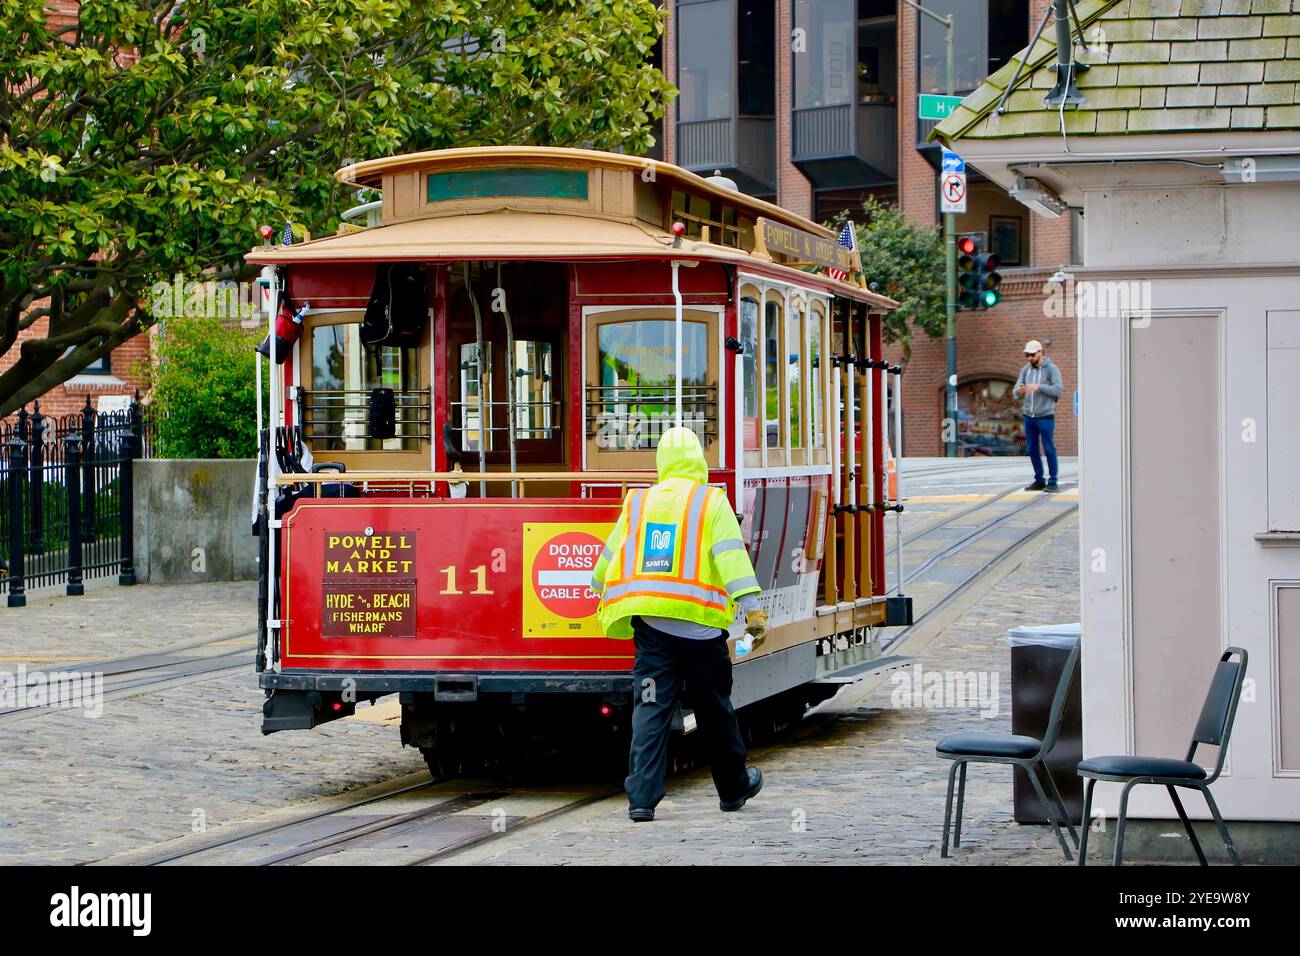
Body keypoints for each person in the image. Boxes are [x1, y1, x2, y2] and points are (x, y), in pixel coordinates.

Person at [591, 426, 768, 822]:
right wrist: (754, 612)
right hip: (701, 633)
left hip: (653, 631)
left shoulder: (638, 502)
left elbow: (609, 556)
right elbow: (732, 560)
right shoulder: (711, 502)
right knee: (714, 710)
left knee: (650, 708)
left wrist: (597, 588)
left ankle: (641, 798)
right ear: (699, 462)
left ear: (662, 463)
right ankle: (733, 788)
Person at [1013, 340, 1063, 492]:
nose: (1029, 358)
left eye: (1032, 355)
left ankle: (1053, 481)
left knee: (1049, 448)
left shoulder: (1051, 369)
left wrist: (1039, 387)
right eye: (1027, 355)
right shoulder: (1025, 370)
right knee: (1032, 448)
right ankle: (1039, 479)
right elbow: (1015, 389)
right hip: (1029, 416)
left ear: (1041, 352)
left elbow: (1058, 390)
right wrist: (1019, 390)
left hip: (1046, 415)